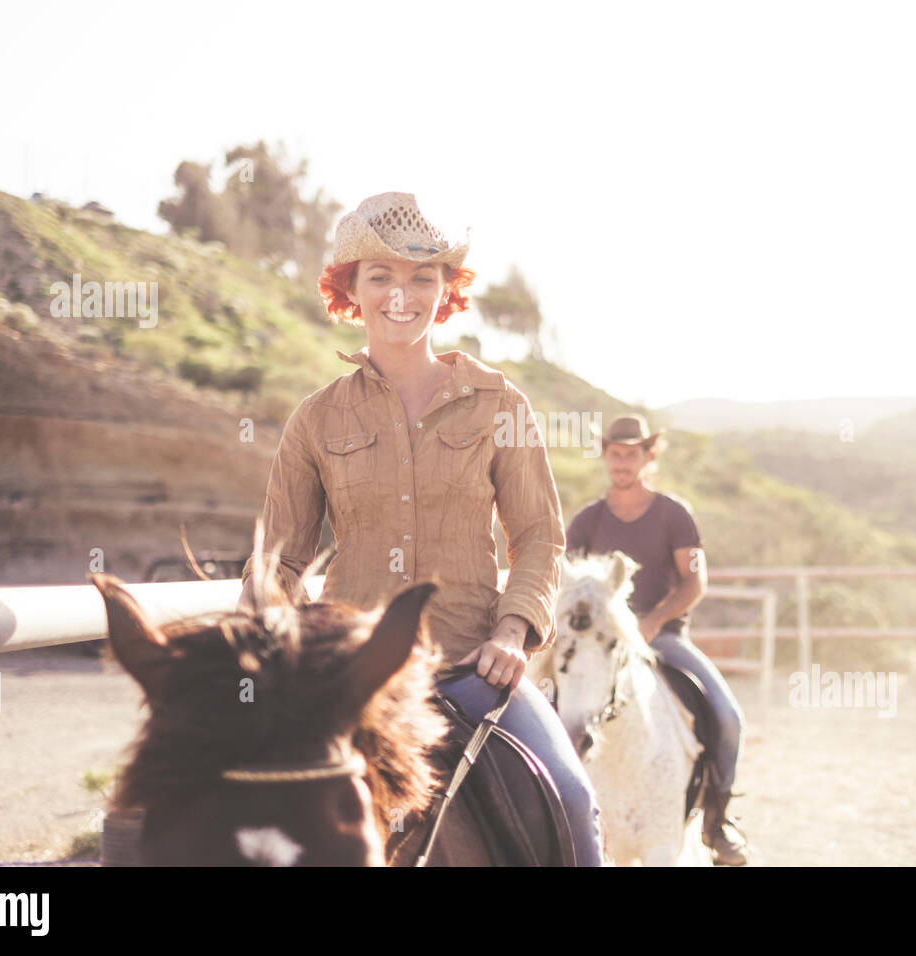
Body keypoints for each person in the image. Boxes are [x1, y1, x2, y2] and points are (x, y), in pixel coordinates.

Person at [238, 191, 604, 866]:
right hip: (351, 678)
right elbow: (278, 564)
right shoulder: (315, 420)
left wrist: (512, 632)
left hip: (475, 669)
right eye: (381, 277)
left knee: (574, 802)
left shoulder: (502, 403)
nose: (401, 296)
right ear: (351, 287)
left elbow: (539, 536)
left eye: (421, 278)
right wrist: (281, 648)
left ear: (447, 290)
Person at [565, 413, 749, 865]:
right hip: (598, 647)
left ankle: (717, 822)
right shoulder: (588, 520)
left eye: (631, 454)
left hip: (663, 640)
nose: (622, 463)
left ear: (648, 456)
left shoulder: (674, 513)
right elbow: (567, 586)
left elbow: (694, 582)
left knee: (728, 718)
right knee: (552, 711)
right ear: (605, 454)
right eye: (615, 454)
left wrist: (651, 623)